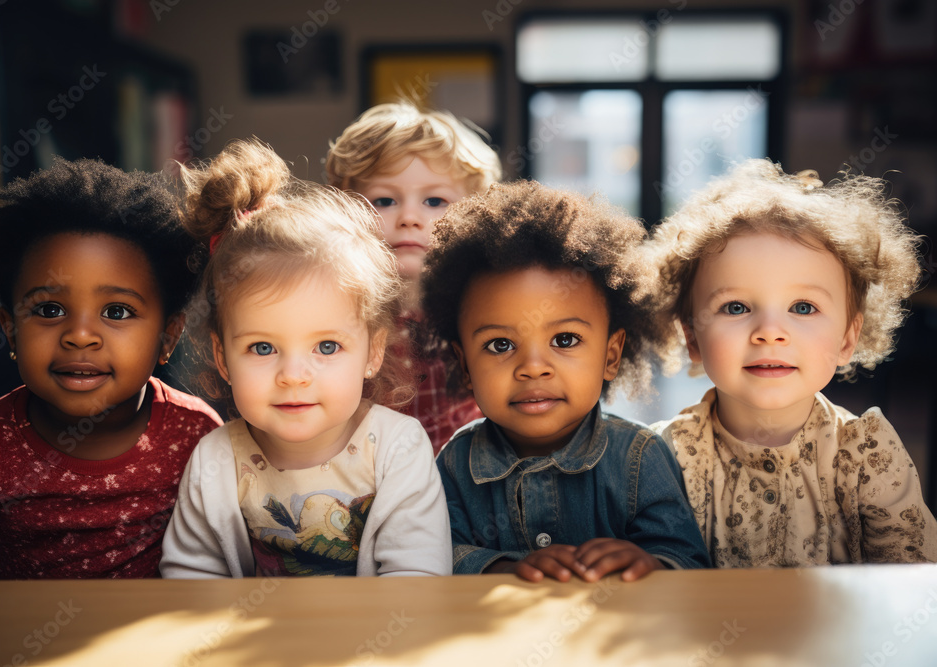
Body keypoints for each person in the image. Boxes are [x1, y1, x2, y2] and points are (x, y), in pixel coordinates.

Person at [160, 139, 451, 578]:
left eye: (327, 347)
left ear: (373, 352)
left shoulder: (397, 449)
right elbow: (191, 580)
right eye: (262, 348)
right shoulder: (217, 458)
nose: (293, 376)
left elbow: (416, 580)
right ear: (222, 357)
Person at [0, 158, 222, 579]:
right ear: (11, 330)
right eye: (50, 309)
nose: (81, 336)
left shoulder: (197, 437)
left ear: (168, 336)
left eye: (117, 310)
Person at [648, 159, 937, 567]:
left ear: (847, 339)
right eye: (736, 306)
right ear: (692, 336)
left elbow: (913, 582)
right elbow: (653, 573)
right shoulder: (663, 455)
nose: (770, 332)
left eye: (803, 307)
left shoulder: (868, 452)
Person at [421, 180, 710, 582]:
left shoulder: (641, 457)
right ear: (465, 365)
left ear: (610, 356)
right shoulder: (456, 463)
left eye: (565, 340)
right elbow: (432, 556)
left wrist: (651, 562)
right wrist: (504, 567)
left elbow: (688, 559)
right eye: (501, 344)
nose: (533, 367)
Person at [326, 101, 502, 455]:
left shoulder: (486, 307)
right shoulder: (332, 309)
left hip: (465, 483)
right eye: (385, 200)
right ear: (347, 209)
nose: (409, 217)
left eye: (434, 201)